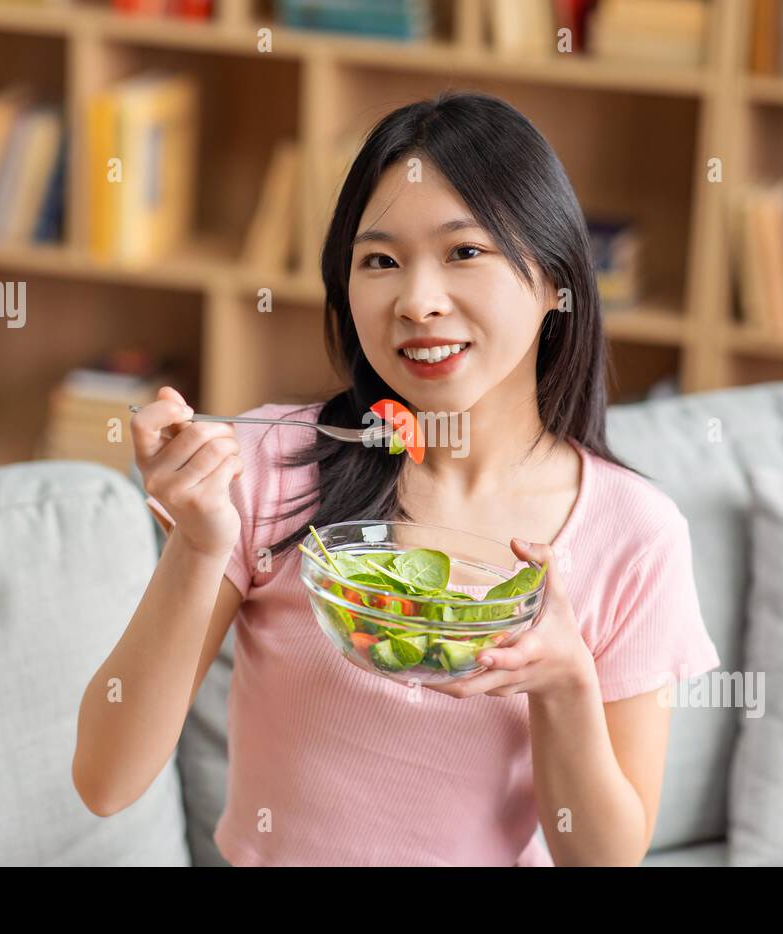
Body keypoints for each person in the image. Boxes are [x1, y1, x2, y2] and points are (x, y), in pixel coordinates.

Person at [73, 90, 720, 866]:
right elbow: (105, 780)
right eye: (380, 261)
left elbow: (604, 860)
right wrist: (199, 545)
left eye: (464, 252)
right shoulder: (273, 470)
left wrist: (565, 686)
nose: (417, 301)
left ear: (555, 283)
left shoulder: (635, 534)